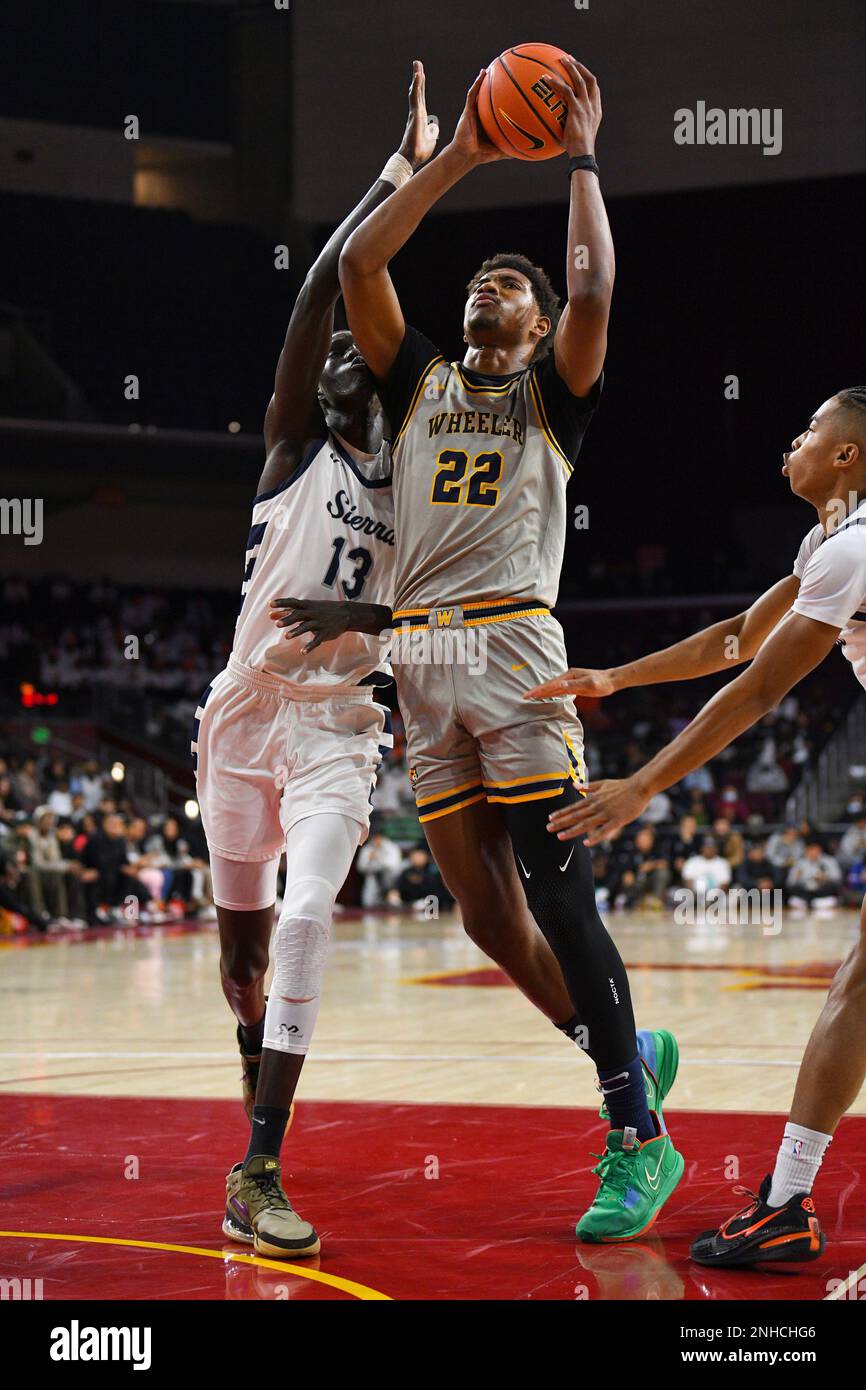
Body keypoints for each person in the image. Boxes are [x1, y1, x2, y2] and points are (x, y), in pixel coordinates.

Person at [277, 57, 683, 1243]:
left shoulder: (551, 395)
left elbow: (597, 284)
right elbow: (360, 263)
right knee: (481, 915)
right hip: (420, 661)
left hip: (512, 656)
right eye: (478, 279)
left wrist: (578, 157)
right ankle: (622, 1049)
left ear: (539, 323)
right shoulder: (411, 384)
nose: (486, 290)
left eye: (509, 283)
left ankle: (634, 1135)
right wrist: (456, 150)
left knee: (556, 898)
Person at [533, 385, 866, 1266]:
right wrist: (616, 679)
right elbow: (737, 639)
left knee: (860, 989)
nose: (791, 440)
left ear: (847, 457)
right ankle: (788, 1200)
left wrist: (641, 784)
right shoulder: (827, 543)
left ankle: (789, 1204)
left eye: (810, 429)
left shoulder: (856, 549)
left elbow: (757, 692)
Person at [194, 66, 438, 1263]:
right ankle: (253, 1105)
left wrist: (356, 610)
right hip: (241, 718)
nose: (338, 352)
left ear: (384, 392)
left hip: (342, 723)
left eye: (358, 353)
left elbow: (442, 614)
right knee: (240, 947)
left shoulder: (417, 501)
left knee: (305, 910)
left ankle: (260, 1166)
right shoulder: (294, 452)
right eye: (328, 349)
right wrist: (400, 169)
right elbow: (314, 298)